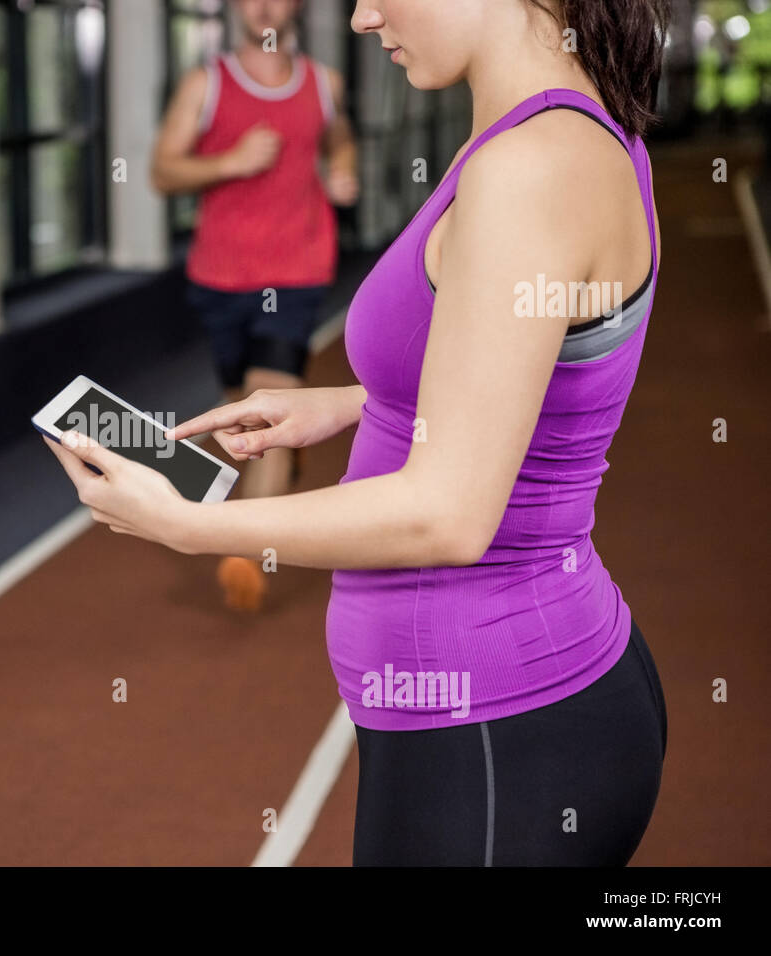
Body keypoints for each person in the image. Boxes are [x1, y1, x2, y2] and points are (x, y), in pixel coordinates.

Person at [47, 0, 670, 866]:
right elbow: (532, 365)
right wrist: (357, 403)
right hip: (486, 716)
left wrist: (188, 524)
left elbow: (446, 516)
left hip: (500, 729)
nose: (364, 15)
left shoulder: (534, 165)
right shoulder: (549, 128)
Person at [150, 0, 358, 612]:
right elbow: (163, 172)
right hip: (220, 275)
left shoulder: (325, 83)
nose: (265, 6)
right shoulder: (205, 84)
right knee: (236, 408)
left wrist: (342, 170)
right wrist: (230, 162)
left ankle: (248, 546)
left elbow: (339, 140)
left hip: (296, 270)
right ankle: (281, 458)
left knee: (267, 399)